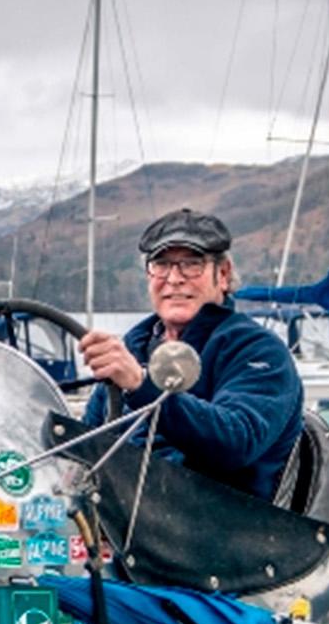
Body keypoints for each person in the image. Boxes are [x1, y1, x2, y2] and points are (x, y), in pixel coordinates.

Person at [79, 208, 304, 501]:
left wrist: (141, 385)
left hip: (224, 532)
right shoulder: (136, 344)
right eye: (161, 264)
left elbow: (236, 441)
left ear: (222, 275)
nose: (174, 278)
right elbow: (87, 443)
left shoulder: (259, 350)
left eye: (191, 264)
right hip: (128, 523)